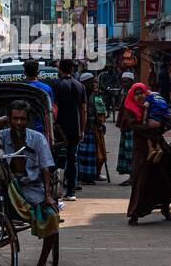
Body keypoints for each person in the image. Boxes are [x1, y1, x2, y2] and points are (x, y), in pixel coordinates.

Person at [0, 98, 62, 266]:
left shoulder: (37, 138)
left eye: (22, 119)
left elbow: (46, 166)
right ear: (10, 119)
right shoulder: (4, 134)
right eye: (15, 119)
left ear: (27, 120)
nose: (19, 122)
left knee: (53, 217)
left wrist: (47, 195)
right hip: (6, 186)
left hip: (32, 186)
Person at [120, 82, 171, 225]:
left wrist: (162, 126)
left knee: (165, 175)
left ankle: (165, 207)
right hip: (142, 148)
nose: (140, 96)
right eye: (137, 93)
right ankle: (135, 212)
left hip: (159, 144)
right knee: (141, 179)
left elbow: (167, 119)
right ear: (132, 95)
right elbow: (135, 126)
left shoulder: (153, 102)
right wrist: (155, 128)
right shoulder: (129, 108)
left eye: (142, 93)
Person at [51, 59, 86, 201]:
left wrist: (54, 125)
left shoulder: (57, 85)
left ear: (60, 69)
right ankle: (71, 192)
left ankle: (57, 191)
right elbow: (83, 109)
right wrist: (82, 129)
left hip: (60, 129)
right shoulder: (80, 86)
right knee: (73, 160)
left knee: (58, 161)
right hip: (75, 129)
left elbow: (54, 109)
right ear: (72, 69)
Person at [76, 72, 107, 185]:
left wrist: (100, 123)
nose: (94, 84)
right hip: (85, 128)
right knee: (84, 154)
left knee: (90, 154)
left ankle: (89, 176)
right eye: (92, 82)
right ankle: (84, 177)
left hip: (92, 127)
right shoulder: (81, 94)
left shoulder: (92, 95)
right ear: (85, 83)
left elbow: (95, 111)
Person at [22, 58, 54, 135]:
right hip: (43, 129)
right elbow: (51, 108)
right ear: (38, 73)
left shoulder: (21, 89)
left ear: (24, 73)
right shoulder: (46, 88)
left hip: (24, 129)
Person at [115, 69, 136, 185]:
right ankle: (131, 176)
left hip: (131, 127)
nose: (124, 84)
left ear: (132, 82)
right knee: (126, 152)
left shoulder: (133, 94)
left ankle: (133, 177)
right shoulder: (125, 93)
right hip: (125, 126)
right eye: (123, 82)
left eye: (126, 82)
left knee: (130, 153)